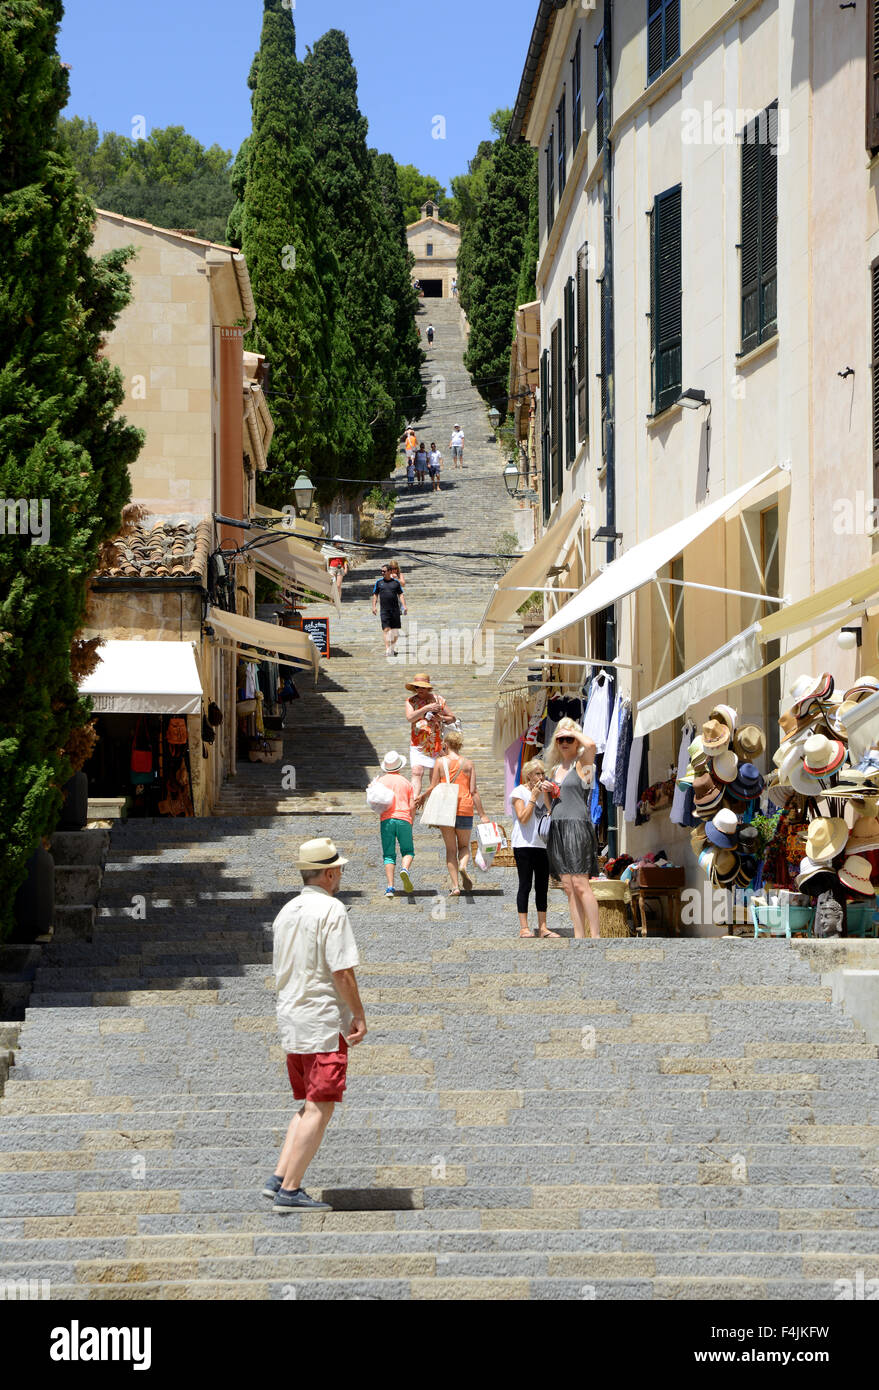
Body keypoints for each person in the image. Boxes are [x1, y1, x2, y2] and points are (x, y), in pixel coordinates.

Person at [265, 838, 366, 1213]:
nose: (339, 874)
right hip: (322, 1018)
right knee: (321, 1103)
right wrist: (358, 1014)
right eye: (337, 868)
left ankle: (278, 1177)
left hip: (291, 1016)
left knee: (310, 1102)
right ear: (327, 873)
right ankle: (290, 1190)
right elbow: (342, 971)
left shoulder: (286, 911)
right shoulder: (331, 910)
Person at [545, 717, 600, 939]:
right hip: (558, 826)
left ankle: (595, 936)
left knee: (580, 883)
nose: (565, 742)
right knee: (568, 886)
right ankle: (579, 936)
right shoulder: (556, 768)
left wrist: (572, 731)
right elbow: (552, 805)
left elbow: (592, 746)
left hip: (577, 825)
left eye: (569, 739)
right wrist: (545, 790)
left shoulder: (583, 764)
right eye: (561, 739)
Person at [415, 730, 489, 895]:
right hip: (465, 807)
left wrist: (422, 797)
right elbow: (474, 791)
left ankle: (455, 886)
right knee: (464, 846)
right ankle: (463, 866)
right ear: (460, 745)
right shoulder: (469, 764)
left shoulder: (440, 763)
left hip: (445, 810)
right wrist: (482, 815)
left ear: (445, 745)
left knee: (450, 850)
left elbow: (433, 786)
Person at [511, 758, 559, 939]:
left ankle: (543, 927)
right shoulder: (519, 792)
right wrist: (532, 797)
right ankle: (524, 927)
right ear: (529, 775)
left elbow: (550, 812)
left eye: (542, 774)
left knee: (542, 886)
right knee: (525, 885)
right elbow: (523, 818)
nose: (540, 777)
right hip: (524, 844)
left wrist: (546, 794)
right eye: (537, 774)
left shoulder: (543, 792)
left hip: (541, 844)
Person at [405, 672, 456, 798]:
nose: (420, 690)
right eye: (417, 687)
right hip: (418, 744)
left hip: (435, 743)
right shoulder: (411, 701)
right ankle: (414, 801)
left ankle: (433, 802)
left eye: (422, 687)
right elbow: (410, 718)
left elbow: (452, 718)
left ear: (428, 687)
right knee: (416, 772)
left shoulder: (438, 700)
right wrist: (426, 708)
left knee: (435, 775)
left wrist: (440, 718)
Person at [376, 751, 415, 897]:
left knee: (389, 854)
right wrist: (411, 822)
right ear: (399, 766)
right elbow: (412, 806)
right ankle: (404, 869)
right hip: (404, 818)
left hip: (386, 820)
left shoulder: (380, 781)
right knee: (408, 851)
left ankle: (390, 887)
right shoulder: (406, 782)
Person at [371, 562, 406, 658]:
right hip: (384, 610)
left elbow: (401, 594)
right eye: (381, 571)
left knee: (395, 631)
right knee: (386, 629)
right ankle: (387, 649)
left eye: (384, 571)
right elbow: (375, 595)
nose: (382, 573)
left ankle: (392, 648)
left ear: (390, 571)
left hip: (395, 610)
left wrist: (404, 606)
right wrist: (374, 606)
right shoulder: (379, 582)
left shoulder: (396, 583)